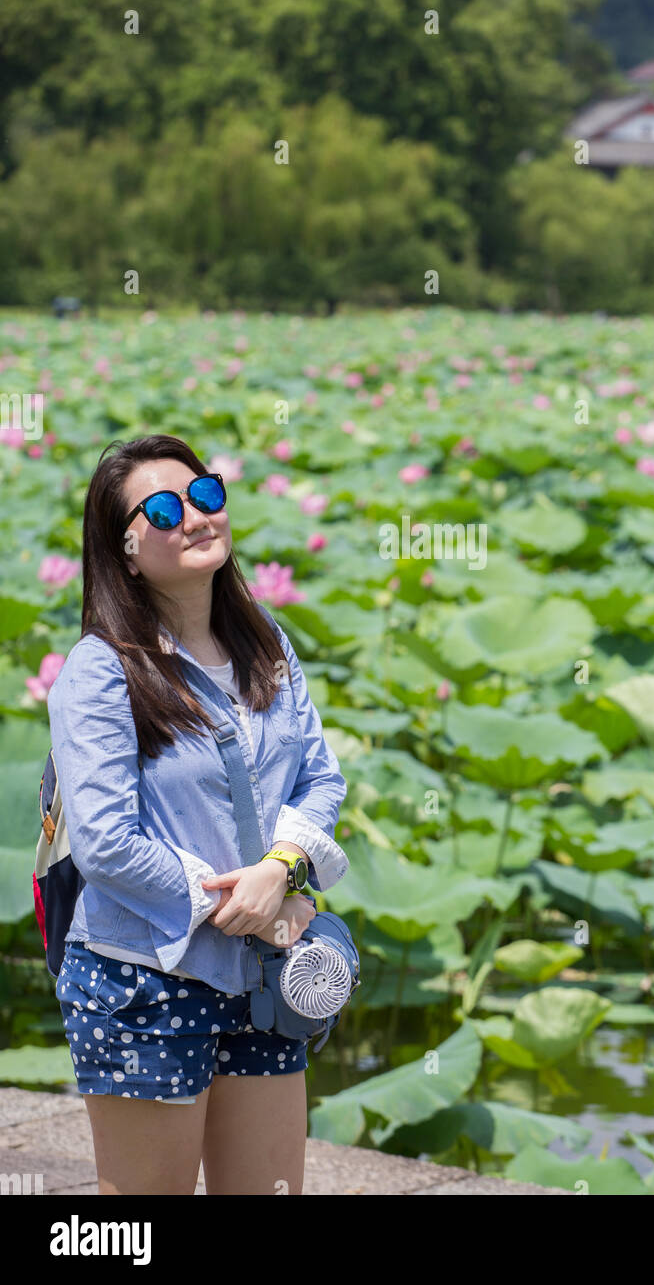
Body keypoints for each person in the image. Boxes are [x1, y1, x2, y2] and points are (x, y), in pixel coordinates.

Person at [46, 433, 349, 1195]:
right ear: (124, 549)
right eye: (163, 508)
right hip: (143, 978)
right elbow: (107, 842)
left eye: (205, 494)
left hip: (263, 975)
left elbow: (320, 779)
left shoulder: (266, 644)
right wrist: (235, 899)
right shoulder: (102, 671)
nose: (194, 516)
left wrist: (281, 870)